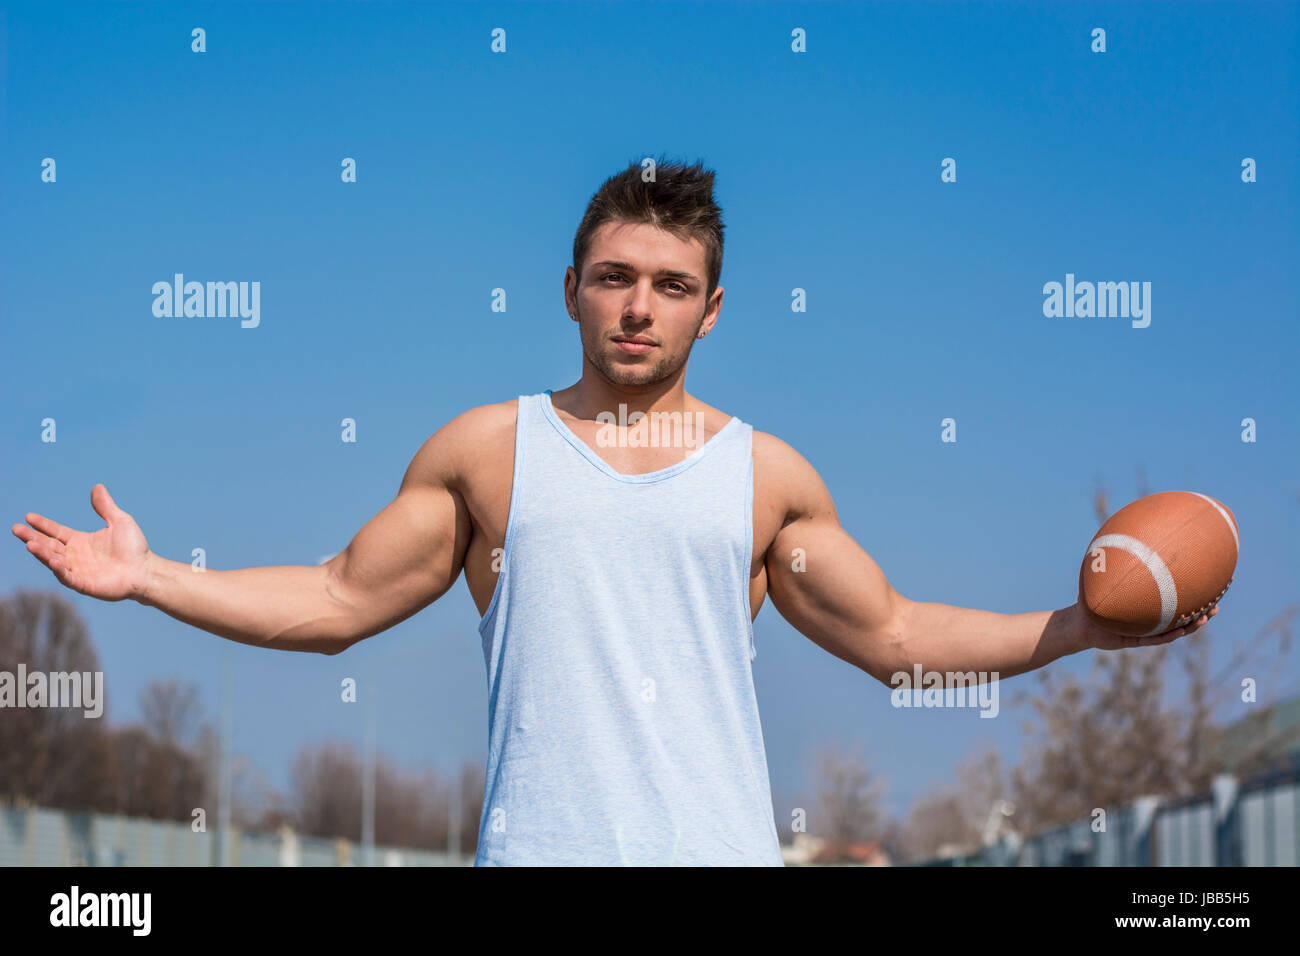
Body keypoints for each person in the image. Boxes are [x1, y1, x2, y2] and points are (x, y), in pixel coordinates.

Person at [12, 157, 1213, 866]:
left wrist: (1081, 629)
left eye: (671, 285)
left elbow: (895, 640)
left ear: (713, 308)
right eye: (616, 278)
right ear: (573, 290)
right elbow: (336, 599)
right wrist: (153, 574)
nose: (640, 306)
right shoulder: (488, 451)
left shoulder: (766, 476)